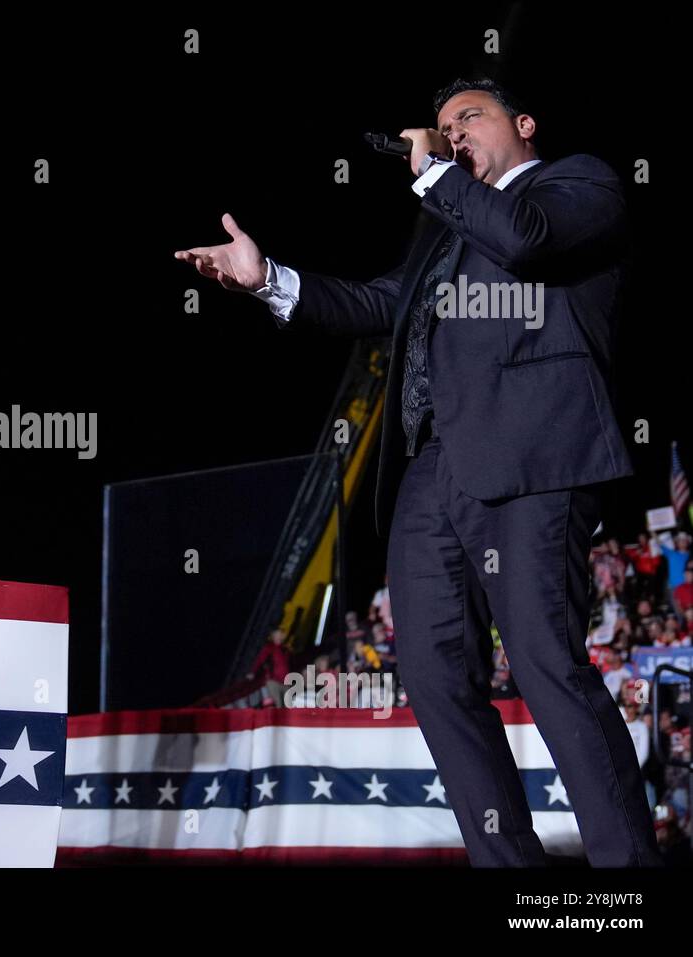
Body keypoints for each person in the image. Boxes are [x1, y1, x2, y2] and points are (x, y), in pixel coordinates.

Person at [175, 77, 659, 866]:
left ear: (525, 124)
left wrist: (437, 176)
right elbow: (379, 304)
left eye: (470, 117)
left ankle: (627, 874)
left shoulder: (580, 183)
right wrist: (268, 279)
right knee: (434, 676)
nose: (451, 132)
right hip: (436, 469)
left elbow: (529, 239)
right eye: (441, 125)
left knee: (547, 663)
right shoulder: (447, 229)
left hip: (535, 454)